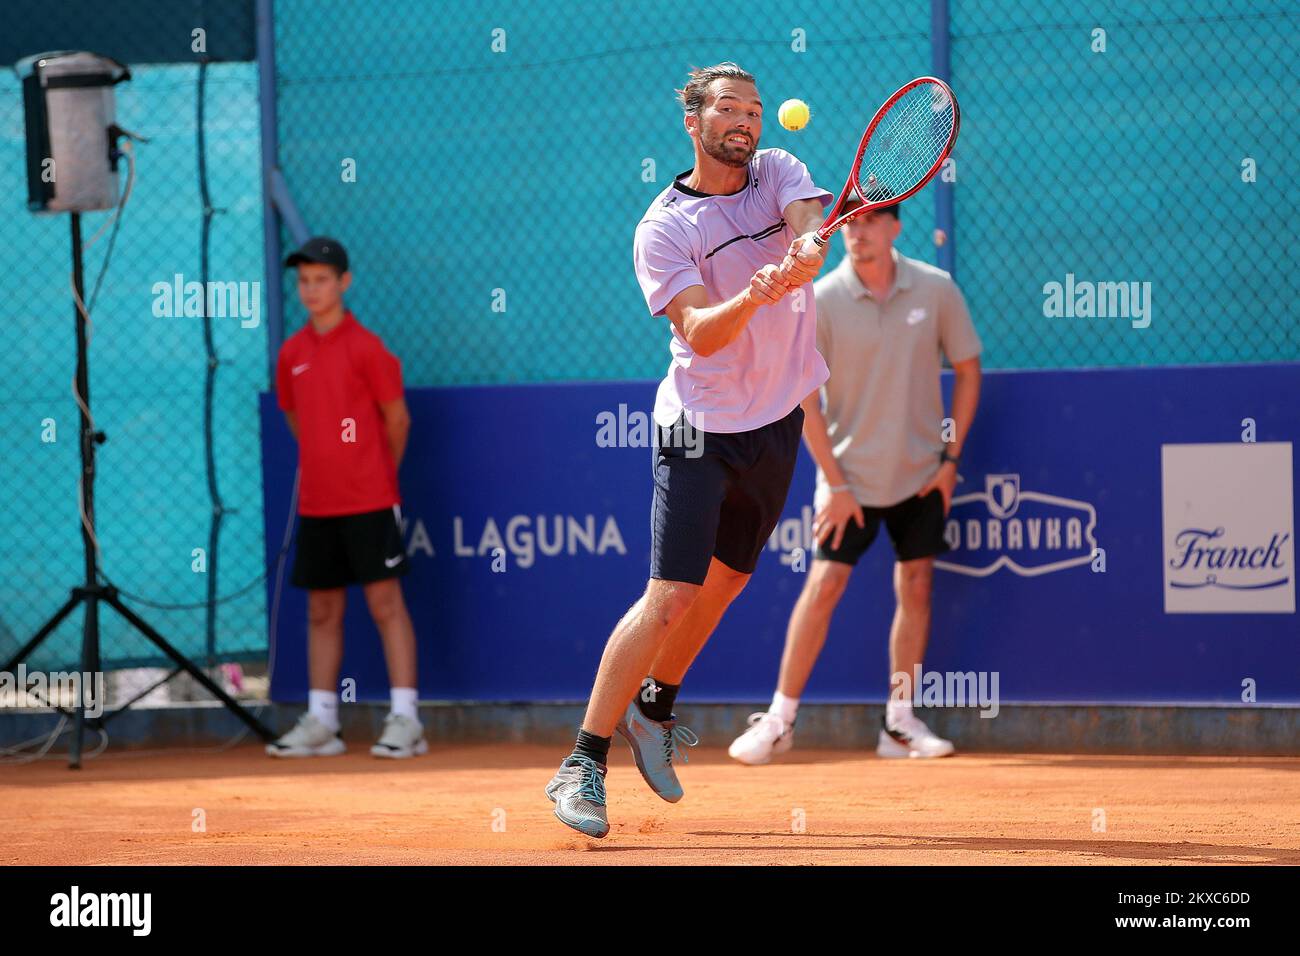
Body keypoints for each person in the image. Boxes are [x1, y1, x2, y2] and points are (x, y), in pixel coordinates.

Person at [545, 63, 832, 837]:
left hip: (775, 418)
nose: (745, 121)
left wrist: (805, 253)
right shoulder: (663, 227)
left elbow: (809, 225)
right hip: (694, 424)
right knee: (670, 591)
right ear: (693, 122)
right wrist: (758, 293)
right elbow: (700, 333)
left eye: (755, 110)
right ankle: (582, 760)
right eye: (728, 109)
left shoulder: (778, 170)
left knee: (729, 580)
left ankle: (655, 709)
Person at [728, 193, 982, 765]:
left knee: (916, 584)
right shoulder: (817, 300)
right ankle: (780, 720)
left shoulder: (936, 288)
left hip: (921, 476)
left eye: (869, 221)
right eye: (849, 221)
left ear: (894, 227)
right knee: (824, 588)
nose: (856, 231)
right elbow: (804, 401)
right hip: (847, 482)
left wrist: (949, 462)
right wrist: (837, 485)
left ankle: (898, 724)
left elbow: (967, 371)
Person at [266, 236, 425, 759]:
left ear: (343, 283)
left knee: (385, 605)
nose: (311, 290)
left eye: (321, 280)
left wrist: (375, 475)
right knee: (321, 611)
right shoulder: (291, 353)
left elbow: (396, 421)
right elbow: (297, 421)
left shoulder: (369, 349)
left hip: (372, 500)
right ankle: (322, 722)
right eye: (304, 281)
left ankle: (406, 719)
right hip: (317, 504)